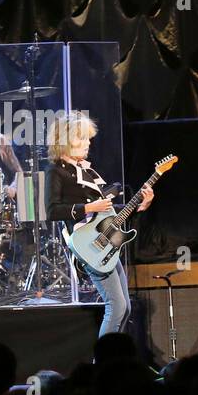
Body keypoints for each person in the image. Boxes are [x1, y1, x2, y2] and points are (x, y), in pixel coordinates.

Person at [46, 110, 153, 338]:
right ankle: (102, 361)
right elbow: (52, 211)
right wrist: (88, 208)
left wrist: (140, 204)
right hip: (87, 246)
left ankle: (116, 357)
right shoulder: (56, 172)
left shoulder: (88, 172)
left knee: (125, 308)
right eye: (81, 138)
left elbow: (110, 217)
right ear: (64, 141)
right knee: (117, 306)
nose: (87, 143)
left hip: (105, 242)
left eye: (88, 138)